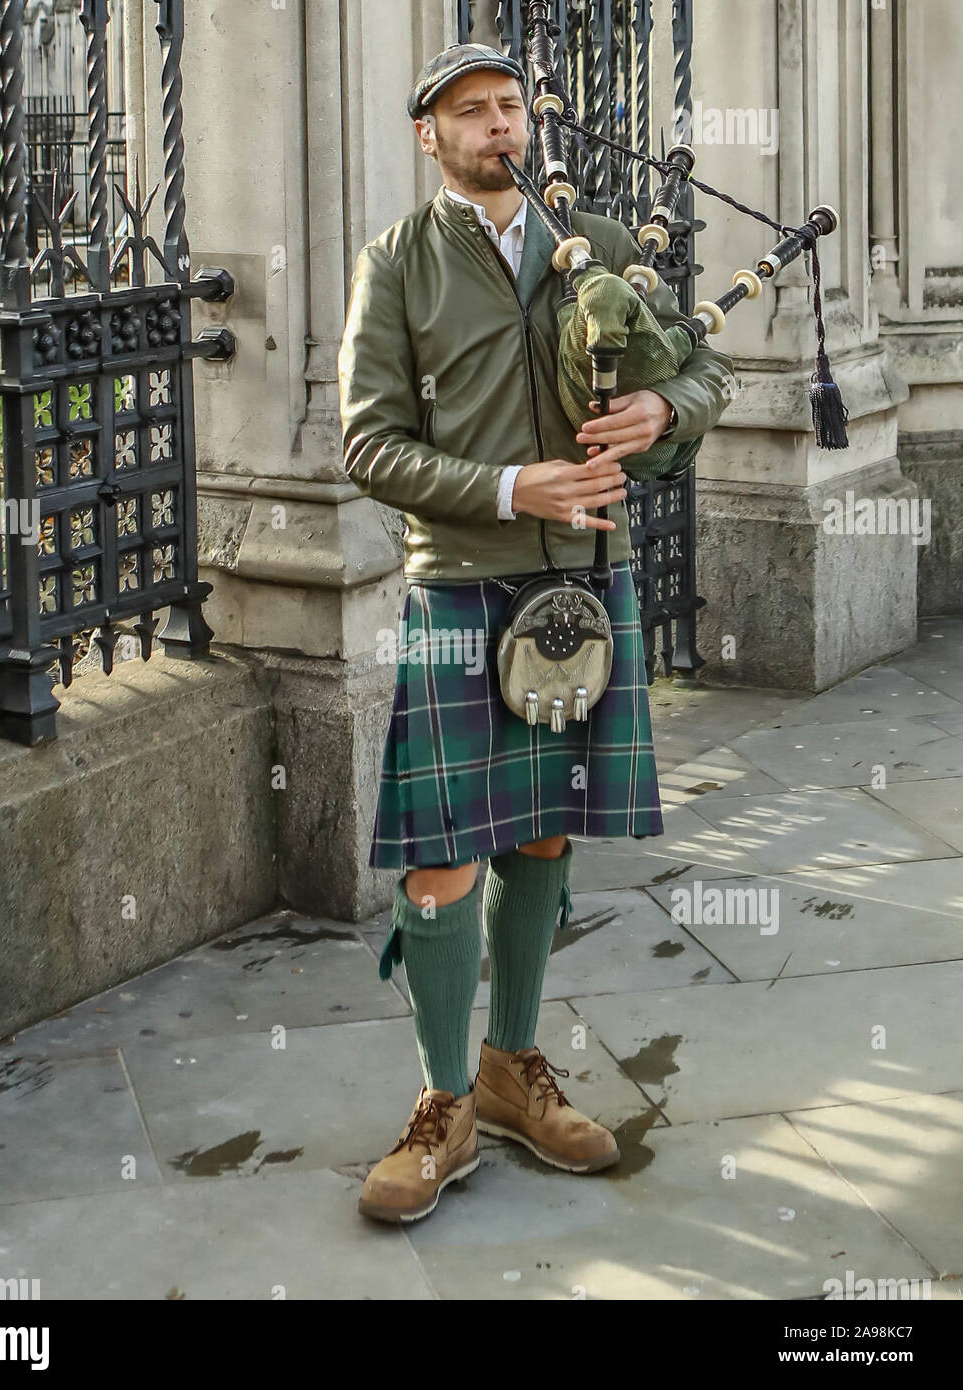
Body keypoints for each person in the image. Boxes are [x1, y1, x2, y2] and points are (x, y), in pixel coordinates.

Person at [338, 43, 735, 1224]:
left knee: (547, 838)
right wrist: (518, 488)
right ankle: (444, 1102)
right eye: (474, 113)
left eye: (511, 107)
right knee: (445, 856)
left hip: (585, 584)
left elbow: (702, 367)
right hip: (466, 581)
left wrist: (669, 403)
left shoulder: (598, 245)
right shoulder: (397, 264)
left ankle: (515, 1070)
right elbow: (368, 446)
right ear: (433, 137)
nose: (500, 127)